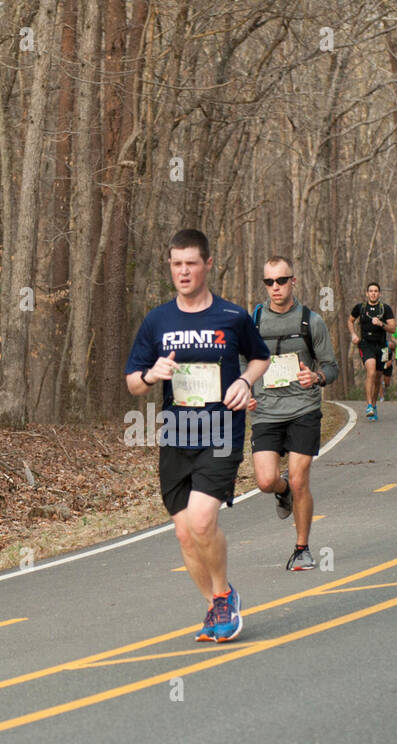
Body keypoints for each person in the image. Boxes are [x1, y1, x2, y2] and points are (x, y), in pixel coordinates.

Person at [125, 228, 270, 642]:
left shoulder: (232, 317)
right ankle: (212, 603)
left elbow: (260, 357)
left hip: (221, 431)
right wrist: (151, 375)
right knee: (185, 531)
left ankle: (224, 594)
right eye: (176, 264)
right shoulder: (157, 321)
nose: (183, 271)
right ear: (169, 266)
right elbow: (134, 381)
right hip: (176, 433)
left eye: (191, 263)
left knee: (203, 519)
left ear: (208, 264)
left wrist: (245, 381)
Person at [248, 256, 339, 571]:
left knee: (300, 479)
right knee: (265, 480)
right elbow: (238, 361)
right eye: (269, 282)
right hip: (266, 411)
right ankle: (281, 490)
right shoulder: (254, 322)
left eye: (281, 281)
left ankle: (302, 548)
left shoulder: (310, 321)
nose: (275, 287)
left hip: (303, 408)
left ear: (293, 282)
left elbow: (331, 366)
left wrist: (316, 377)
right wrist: (243, 390)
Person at [349, 283, 396, 420]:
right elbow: (350, 321)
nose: (373, 293)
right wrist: (353, 335)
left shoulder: (385, 309)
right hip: (366, 344)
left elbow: (393, 329)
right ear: (367, 293)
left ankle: (374, 405)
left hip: (382, 346)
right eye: (371, 291)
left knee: (378, 376)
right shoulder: (360, 308)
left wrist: (381, 324)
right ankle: (369, 405)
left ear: (379, 294)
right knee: (371, 371)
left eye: (376, 291)